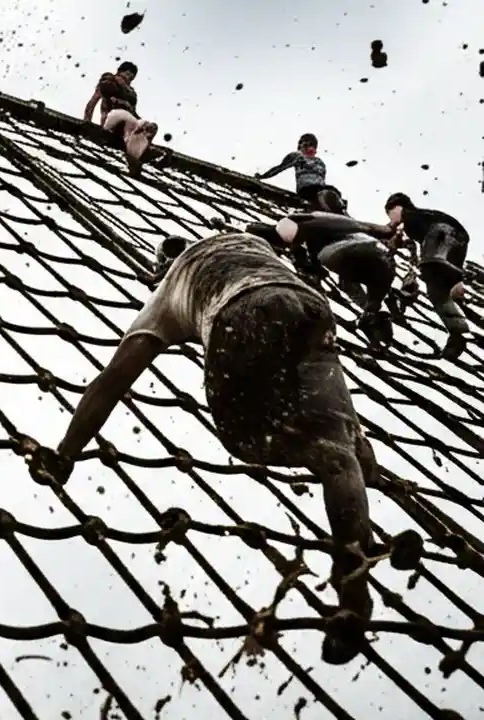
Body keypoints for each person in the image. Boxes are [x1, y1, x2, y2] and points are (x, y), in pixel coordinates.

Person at [37, 231, 377, 666]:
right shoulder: (245, 240)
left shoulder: (170, 284)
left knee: (245, 440)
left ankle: (326, 451)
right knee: (338, 452)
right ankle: (353, 587)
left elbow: (111, 383)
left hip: (239, 313)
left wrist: (66, 452)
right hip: (308, 304)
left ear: (162, 267)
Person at [240, 212, 398, 344]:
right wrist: (377, 230)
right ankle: (372, 318)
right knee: (373, 282)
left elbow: (334, 225)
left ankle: (372, 319)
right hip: (364, 253)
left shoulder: (290, 228)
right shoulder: (302, 230)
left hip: (345, 253)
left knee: (362, 281)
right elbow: (341, 223)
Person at [384, 193, 472, 359]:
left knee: (432, 265)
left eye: (390, 213)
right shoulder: (422, 218)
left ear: (398, 207)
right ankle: (458, 332)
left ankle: (449, 278)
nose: (391, 218)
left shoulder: (410, 217)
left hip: (442, 235)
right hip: (457, 242)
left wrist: (394, 231)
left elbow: (398, 233)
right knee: (437, 291)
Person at [82, 62, 158, 175]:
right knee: (124, 118)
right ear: (120, 72)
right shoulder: (110, 80)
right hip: (112, 120)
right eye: (127, 74)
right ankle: (135, 155)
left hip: (128, 124)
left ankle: (140, 154)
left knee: (149, 126)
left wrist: (143, 126)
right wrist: (87, 122)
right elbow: (94, 100)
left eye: (132, 77)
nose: (129, 78)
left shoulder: (131, 93)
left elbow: (133, 113)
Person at [255, 133, 347, 214]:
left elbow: (322, 179)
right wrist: (263, 176)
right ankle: (327, 210)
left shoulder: (320, 162)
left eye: (311, 145)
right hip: (307, 189)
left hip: (320, 189)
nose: (308, 147)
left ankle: (340, 213)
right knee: (325, 193)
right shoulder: (297, 157)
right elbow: (279, 168)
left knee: (334, 193)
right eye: (305, 144)